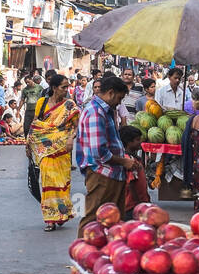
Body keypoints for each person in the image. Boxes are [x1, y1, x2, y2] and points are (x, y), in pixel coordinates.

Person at [74, 73, 138, 234]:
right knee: (93, 219)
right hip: (101, 173)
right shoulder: (95, 112)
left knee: (112, 220)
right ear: (110, 93)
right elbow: (99, 153)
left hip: (111, 173)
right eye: (119, 98)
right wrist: (124, 162)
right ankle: (81, 252)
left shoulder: (106, 110)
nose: (119, 103)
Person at [28, 73, 79, 231]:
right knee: (48, 182)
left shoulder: (70, 105)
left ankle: (61, 214)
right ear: (54, 88)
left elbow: (77, 126)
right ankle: (50, 218)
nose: (66, 90)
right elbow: (35, 125)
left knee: (61, 183)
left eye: (67, 87)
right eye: (63, 87)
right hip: (44, 151)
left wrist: (71, 138)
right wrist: (28, 145)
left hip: (62, 150)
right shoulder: (42, 103)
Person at [119, 125, 150, 208]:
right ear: (128, 142)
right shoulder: (129, 160)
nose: (140, 142)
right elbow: (131, 183)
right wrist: (139, 204)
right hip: (132, 205)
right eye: (137, 140)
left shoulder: (135, 158)